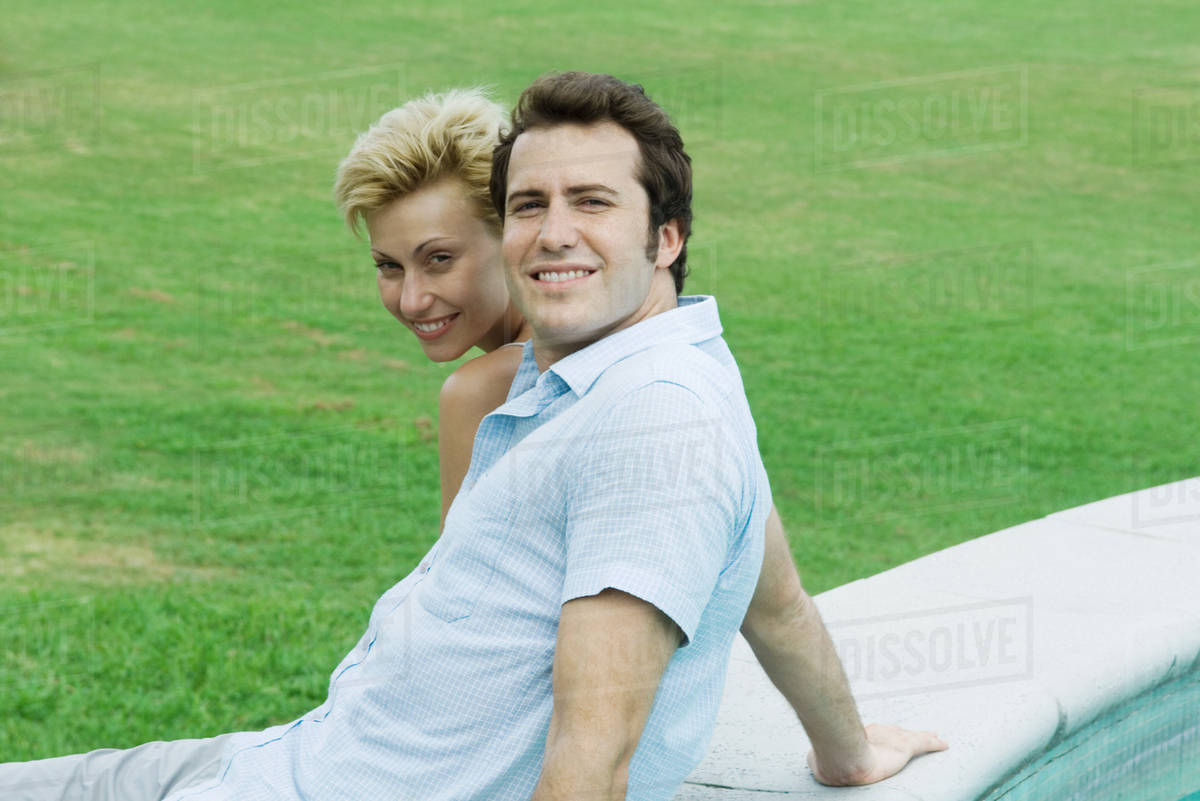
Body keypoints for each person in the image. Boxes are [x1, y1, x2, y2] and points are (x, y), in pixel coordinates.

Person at [0, 74, 944, 801]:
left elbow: (590, 760)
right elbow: (774, 603)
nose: (551, 232)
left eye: (593, 202)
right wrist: (849, 752)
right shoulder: (617, 374)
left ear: (666, 238)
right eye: (531, 205)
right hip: (307, 752)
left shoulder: (655, 417)